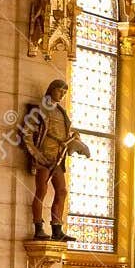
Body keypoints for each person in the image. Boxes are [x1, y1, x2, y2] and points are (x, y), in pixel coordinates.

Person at [19, 80, 91, 241]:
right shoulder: (40, 110)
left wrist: (74, 136)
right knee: (41, 191)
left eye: (64, 93)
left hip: (58, 157)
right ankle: (38, 227)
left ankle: (57, 228)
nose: (62, 95)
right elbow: (27, 134)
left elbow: (64, 133)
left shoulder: (61, 112)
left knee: (62, 191)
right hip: (44, 157)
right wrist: (36, 154)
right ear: (51, 90)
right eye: (60, 91)